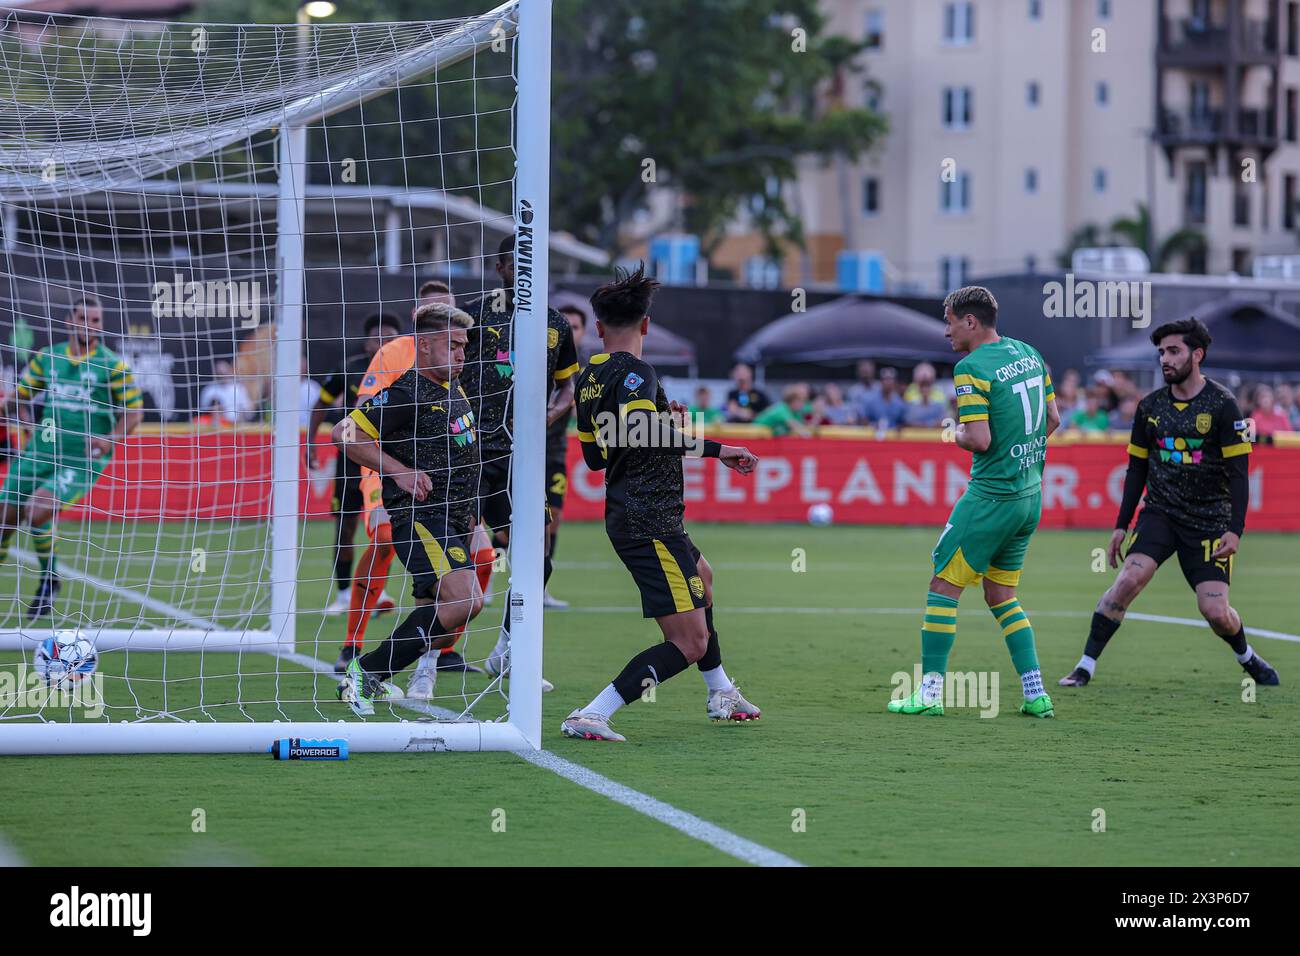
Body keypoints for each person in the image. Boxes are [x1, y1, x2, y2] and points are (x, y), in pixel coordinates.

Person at [562, 264, 761, 741]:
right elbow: (636, 431)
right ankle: (592, 713)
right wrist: (718, 449)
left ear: (598, 327)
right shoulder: (637, 373)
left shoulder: (589, 377)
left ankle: (721, 693)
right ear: (646, 324)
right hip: (647, 517)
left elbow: (594, 456)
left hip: (644, 511)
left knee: (704, 577)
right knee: (689, 642)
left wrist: (663, 425)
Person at [1059, 319, 1278, 688]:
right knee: (1128, 580)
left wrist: (1234, 531)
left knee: (1215, 612)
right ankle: (1085, 665)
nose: (1165, 358)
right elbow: (1136, 470)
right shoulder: (1150, 407)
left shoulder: (1223, 405)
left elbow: (1239, 474)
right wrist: (1121, 525)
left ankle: (1247, 657)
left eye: (1173, 351)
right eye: (1161, 352)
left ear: (1197, 354)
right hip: (1160, 514)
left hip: (1209, 521)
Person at [888, 286, 1060, 719]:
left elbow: (979, 439)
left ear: (970, 321)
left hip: (991, 498)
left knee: (943, 588)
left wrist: (950, 431)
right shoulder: (1031, 354)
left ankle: (928, 695)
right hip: (1029, 497)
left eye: (948, 321)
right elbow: (1054, 420)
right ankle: (1036, 693)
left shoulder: (970, 368)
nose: (945, 331)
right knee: (1002, 594)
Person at [332, 282, 495, 684]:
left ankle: (400, 675)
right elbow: (345, 432)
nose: (461, 354)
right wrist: (397, 470)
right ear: (424, 346)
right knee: (466, 601)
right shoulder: (408, 391)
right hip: (423, 516)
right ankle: (366, 670)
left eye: (462, 346)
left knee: (435, 602)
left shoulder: (452, 385)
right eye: (452, 345)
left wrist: (473, 517)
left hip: (457, 517)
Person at [462, 235, 578, 691]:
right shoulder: (475, 313)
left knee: (536, 555)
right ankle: (430, 662)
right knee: (459, 555)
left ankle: (507, 652)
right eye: (517, 264)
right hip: (470, 452)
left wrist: (553, 411)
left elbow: (568, 385)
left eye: (534, 265)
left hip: (522, 457)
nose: (525, 272)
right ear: (499, 267)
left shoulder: (556, 325)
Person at [0, 295, 144, 619]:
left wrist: (111, 438)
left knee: (37, 509)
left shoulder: (112, 365)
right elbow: (20, 396)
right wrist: (10, 413)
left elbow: (135, 412)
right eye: (84, 319)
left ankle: (48, 579)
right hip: (39, 451)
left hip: (80, 460)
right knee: (3, 522)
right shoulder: (47, 358)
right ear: (69, 321)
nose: (90, 326)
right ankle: (50, 576)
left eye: (96, 321)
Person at [308, 312, 404, 616]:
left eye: (389, 337)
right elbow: (321, 403)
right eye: (377, 337)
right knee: (346, 526)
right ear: (367, 341)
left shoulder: (406, 369)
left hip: (389, 459)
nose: (382, 343)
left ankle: (379, 591)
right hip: (353, 459)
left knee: (386, 527)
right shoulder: (349, 369)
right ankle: (343, 593)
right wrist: (311, 442)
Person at [542, 303, 590, 610]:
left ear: (584, 332)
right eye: (567, 326)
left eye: (575, 327)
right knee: (503, 526)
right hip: (521, 448)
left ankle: (541, 588)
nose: (570, 331)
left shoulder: (588, 366)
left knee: (553, 519)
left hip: (556, 449)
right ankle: (494, 574)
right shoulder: (543, 356)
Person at [198, 359, 254, 425]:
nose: (223, 376)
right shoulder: (209, 390)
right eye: (220, 373)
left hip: (237, 426)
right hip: (215, 426)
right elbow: (204, 412)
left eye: (225, 372)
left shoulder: (239, 389)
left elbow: (249, 411)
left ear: (230, 371)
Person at [902, 362, 948, 427]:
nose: (925, 376)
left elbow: (945, 415)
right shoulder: (910, 390)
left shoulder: (940, 392)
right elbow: (908, 416)